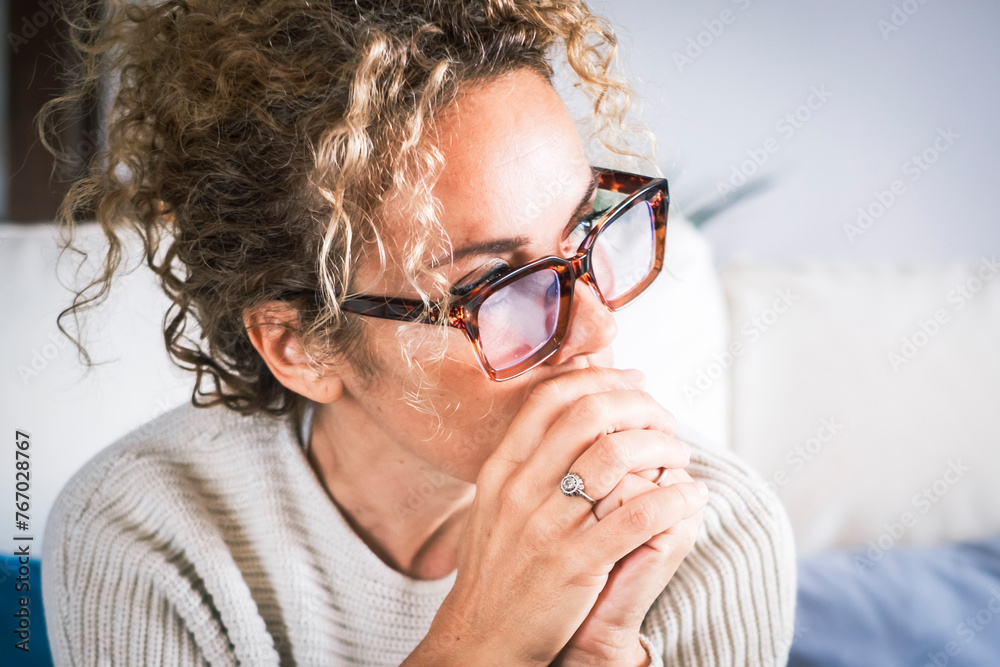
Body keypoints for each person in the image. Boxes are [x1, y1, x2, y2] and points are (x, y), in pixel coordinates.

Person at [40, 1, 796, 664]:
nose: (597, 326)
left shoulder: (711, 538)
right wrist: (484, 641)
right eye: (491, 288)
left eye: (584, 232)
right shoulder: (141, 530)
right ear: (299, 345)